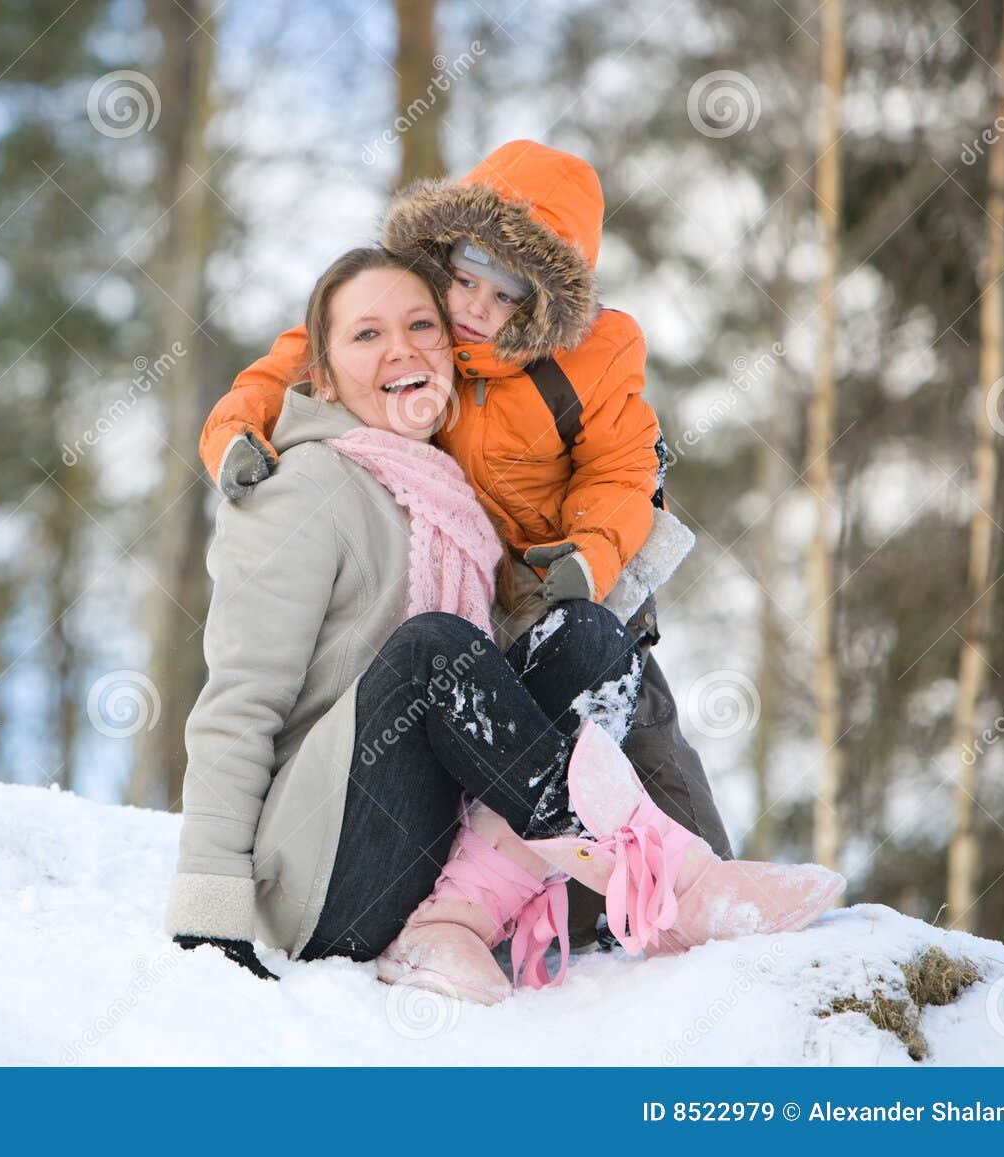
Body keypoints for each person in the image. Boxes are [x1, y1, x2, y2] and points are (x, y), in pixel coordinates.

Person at [163, 246, 844, 1004]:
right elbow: (238, 703)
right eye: (365, 335)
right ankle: (672, 876)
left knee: (587, 637)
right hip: (330, 877)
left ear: (451, 352)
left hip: (433, 861)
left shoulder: (457, 506)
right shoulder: (301, 486)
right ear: (319, 375)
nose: (400, 348)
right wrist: (208, 911)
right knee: (436, 650)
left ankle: (454, 920)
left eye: (422, 324)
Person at [197, 140, 735, 949]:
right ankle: (594, 863)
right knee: (442, 667)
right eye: (463, 279)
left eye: (503, 295)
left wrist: (588, 555)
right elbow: (292, 363)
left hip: (572, 589)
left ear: (544, 301)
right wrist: (235, 431)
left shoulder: (587, 357)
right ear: (441, 253)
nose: (471, 309)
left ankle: (661, 885)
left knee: (655, 769)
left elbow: (622, 470)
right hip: (468, 636)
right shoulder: (410, 330)